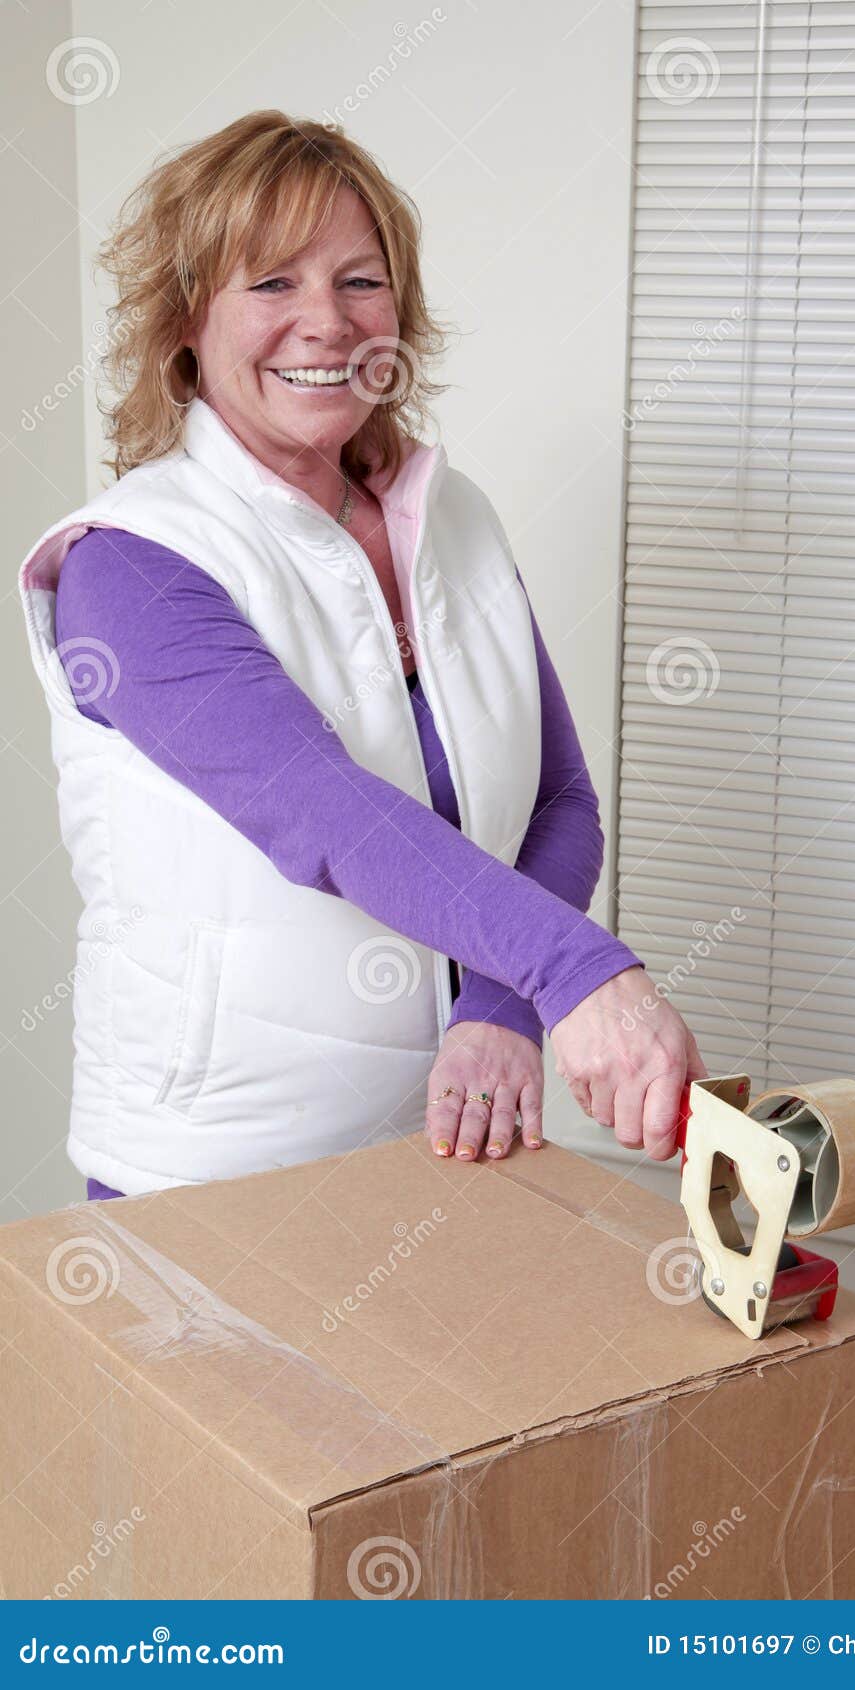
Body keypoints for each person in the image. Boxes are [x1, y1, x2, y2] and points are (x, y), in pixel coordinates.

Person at [17, 110, 705, 1201]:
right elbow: (321, 811)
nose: (325, 324)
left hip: (442, 1153)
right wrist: (576, 970)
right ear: (186, 319)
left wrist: (496, 1006)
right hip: (209, 1179)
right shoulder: (132, 564)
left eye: (359, 282)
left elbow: (560, 801)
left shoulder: (452, 518)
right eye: (272, 283)